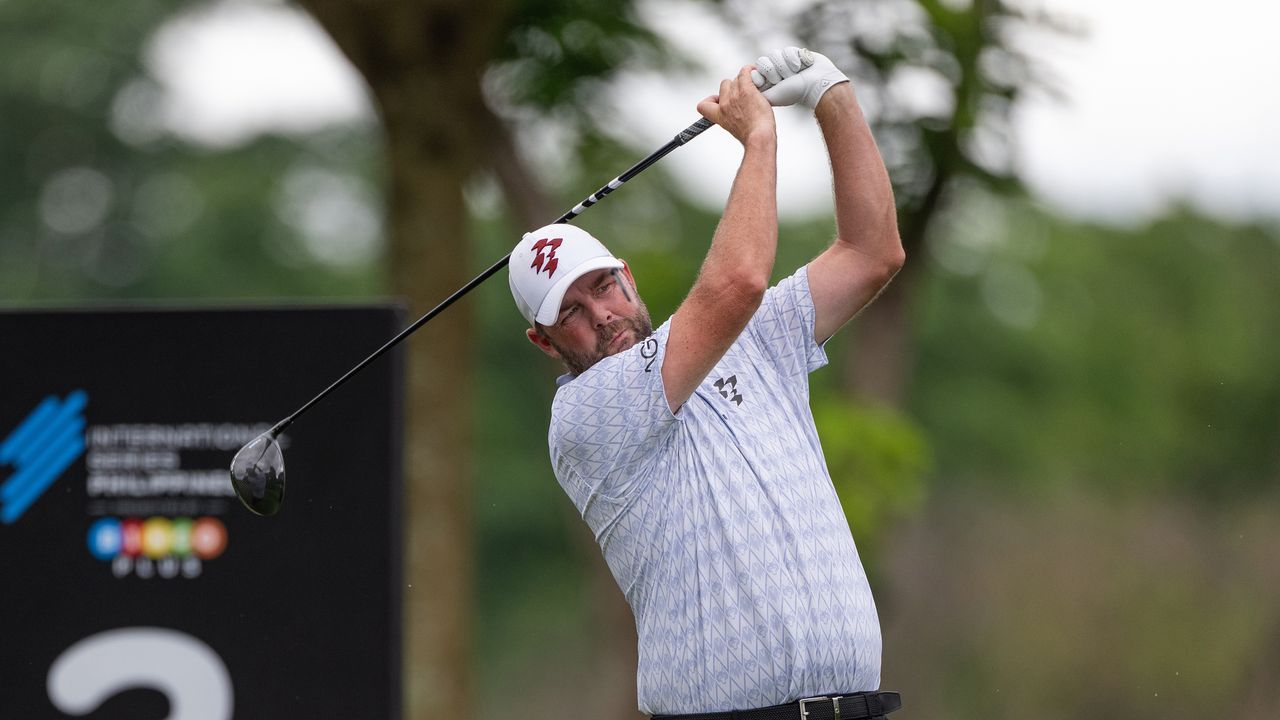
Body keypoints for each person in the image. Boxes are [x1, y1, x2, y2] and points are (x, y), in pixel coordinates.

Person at [507, 47, 906, 720]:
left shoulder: (751, 340)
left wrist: (833, 96)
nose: (601, 316)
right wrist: (759, 137)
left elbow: (872, 253)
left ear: (627, 275)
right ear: (543, 342)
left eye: (603, 286)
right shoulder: (585, 417)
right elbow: (736, 284)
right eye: (570, 313)